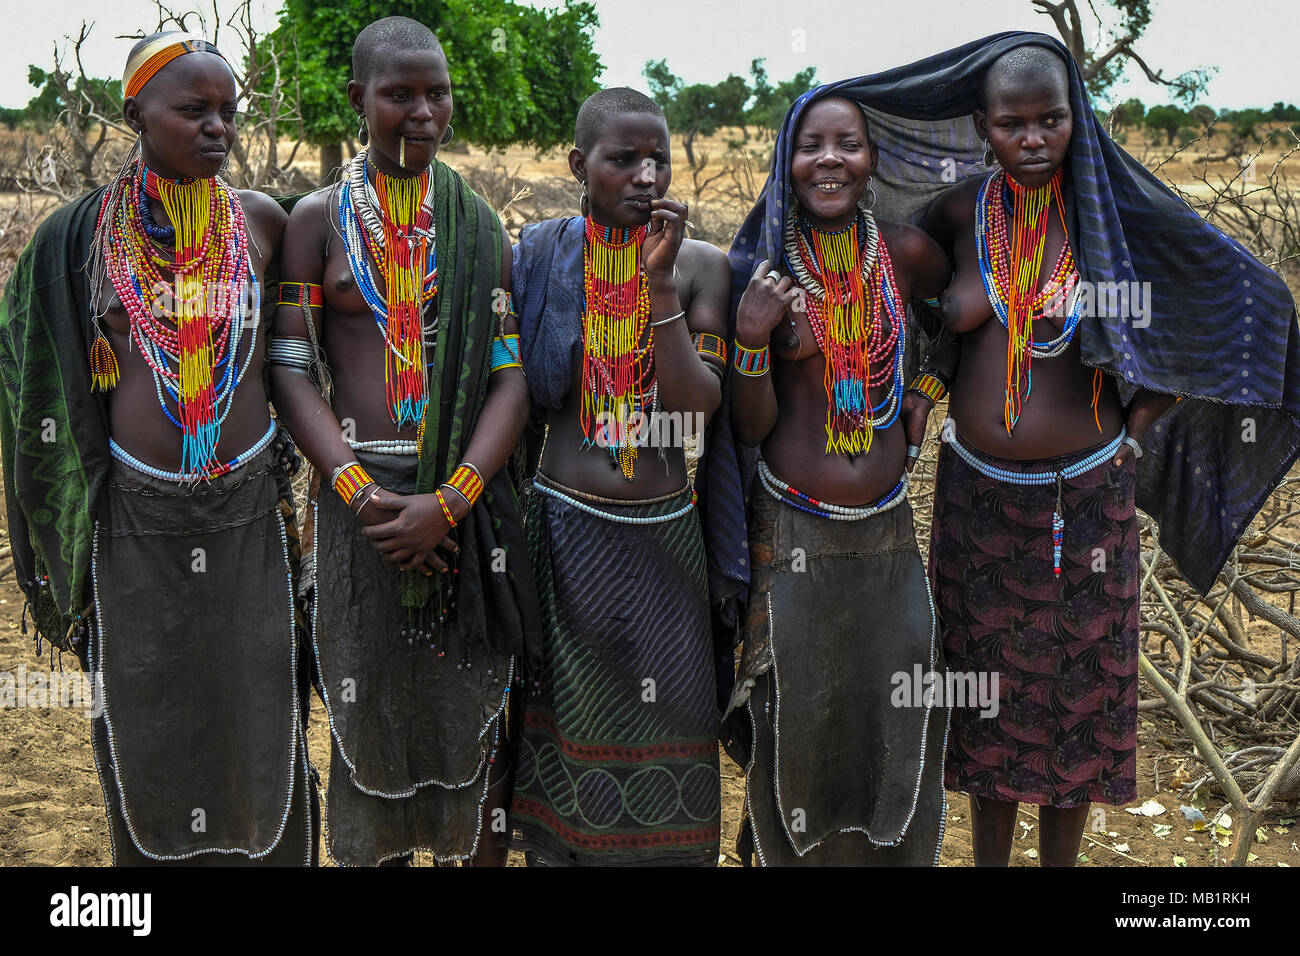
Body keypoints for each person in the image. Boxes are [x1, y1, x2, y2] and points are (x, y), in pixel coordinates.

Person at [912, 38, 1300, 866]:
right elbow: (927, 331)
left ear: (1074, 120)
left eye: (1051, 119)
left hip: (1088, 496)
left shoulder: (1109, 219)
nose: (1032, 139)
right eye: (1011, 123)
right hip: (974, 496)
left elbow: (1235, 296)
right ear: (982, 127)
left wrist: (1140, 424)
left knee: (1081, 702)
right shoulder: (954, 216)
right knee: (985, 700)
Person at [0, 31, 316, 865]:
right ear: (136, 114)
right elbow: (33, 383)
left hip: (249, 513)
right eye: (194, 111)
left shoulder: (261, 223)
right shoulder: (76, 242)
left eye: (228, 113)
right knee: (148, 708)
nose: (218, 128)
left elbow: (297, 365)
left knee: (261, 705)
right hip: (133, 523)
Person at [269, 16, 539, 867]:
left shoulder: (480, 227)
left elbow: (513, 377)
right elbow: (289, 367)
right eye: (399, 94)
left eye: (437, 93)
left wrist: (450, 500)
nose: (423, 112)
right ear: (359, 100)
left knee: (471, 723)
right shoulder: (315, 222)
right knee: (366, 720)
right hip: (359, 509)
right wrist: (360, 492)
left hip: (465, 510)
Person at [720, 92, 951, 865]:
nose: (829, 160)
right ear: (786, 164)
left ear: (872, 160)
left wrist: (927, 389)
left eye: (846, 144)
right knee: (798, 715)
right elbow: (749, 428)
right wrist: (754, 339)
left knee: (891, 706)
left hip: (888, 533)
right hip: (793, 533)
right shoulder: (763, 273)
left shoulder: (906, 255)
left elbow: (964, 319)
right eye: (810, 145)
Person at [508, 88, 731, 866]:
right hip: (563, 531)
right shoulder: (539, 255)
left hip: (664, 537)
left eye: (658, 159)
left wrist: (660, 285)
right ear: (579, 164)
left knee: (670, 717)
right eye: (623, 159)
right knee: (564, 730)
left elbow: (698, 407)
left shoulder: (702, 267)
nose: (646, 175)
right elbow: (520, 395)